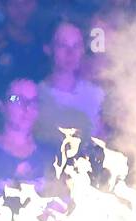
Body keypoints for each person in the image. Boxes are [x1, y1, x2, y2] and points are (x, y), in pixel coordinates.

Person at [35, 19, 105, 149]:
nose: (70, 53)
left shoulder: (96, 95)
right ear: (48, 49)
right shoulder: (36, 96)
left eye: (76, 46)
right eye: (63, 45)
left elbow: (102, 142)